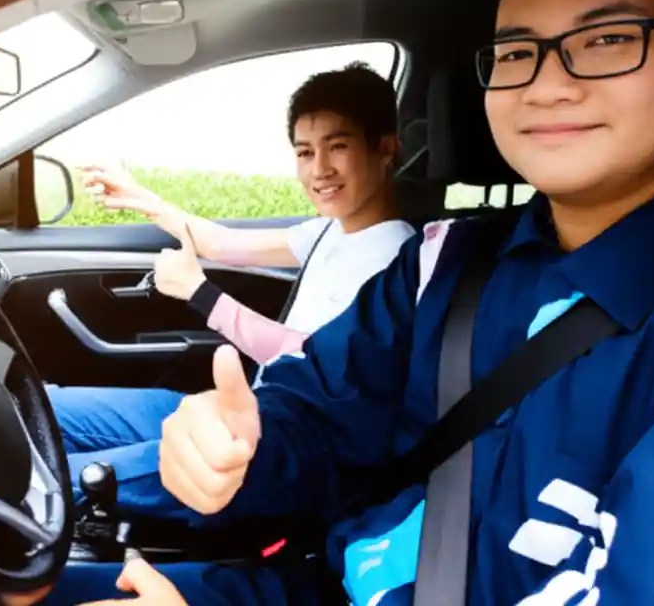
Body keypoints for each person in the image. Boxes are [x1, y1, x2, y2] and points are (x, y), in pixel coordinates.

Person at [27, 0, 654, 606]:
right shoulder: (451, 266)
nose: (548, 83)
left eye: (609, 39)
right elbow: (320, 415)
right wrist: (242, 445)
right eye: (518, 51)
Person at [48, 63, 416, 517]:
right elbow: (222, 243)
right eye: (304, 152)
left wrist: (200, 295)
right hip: (240, 412)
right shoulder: (328, 230)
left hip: (277, 446)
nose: (319, 169)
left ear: (386, 148)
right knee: (45, 407)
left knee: (55, 484)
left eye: (337, 147)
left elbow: (312, 355)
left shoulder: (398, 260)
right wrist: (135, 195)